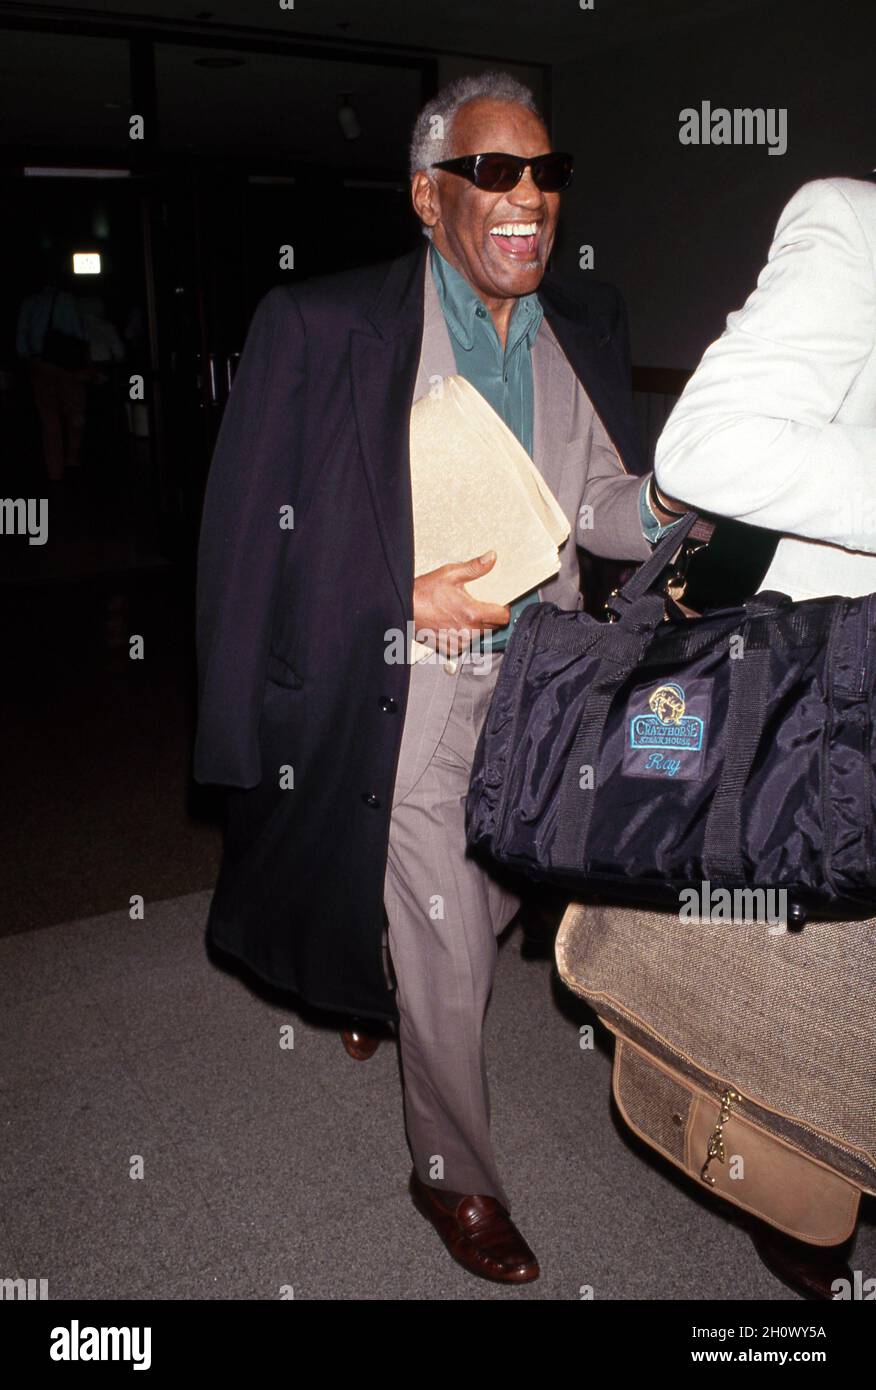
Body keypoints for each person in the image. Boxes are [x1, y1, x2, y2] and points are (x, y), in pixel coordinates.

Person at [194, 71, 682, 1285]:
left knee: (505, 896)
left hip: (546, 691)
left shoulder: (582, 322)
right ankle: (455, 1176)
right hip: (406, 690)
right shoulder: (323, 328)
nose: (528, 197)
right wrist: (393, 595)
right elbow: (257, 534)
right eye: (493, 171)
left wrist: (674, 499)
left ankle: (381, 973)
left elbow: (590, 503)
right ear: (428, 197)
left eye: (545, 173)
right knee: (452, 944)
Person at [655, 174, 876, 1298]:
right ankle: (804, 1207)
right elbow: (703, 447)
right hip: (841, 699)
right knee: (814, 999)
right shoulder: (854, 221)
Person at [16, 274, 90, 482]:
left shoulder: (29, 302)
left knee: (49, 419)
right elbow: (80, 333)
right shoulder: (67, 299)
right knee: (76, 411)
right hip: (68, 364)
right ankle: (73, 460)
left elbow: (21, 339)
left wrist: (30, 359)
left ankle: (54, 471)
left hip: (40, 363)